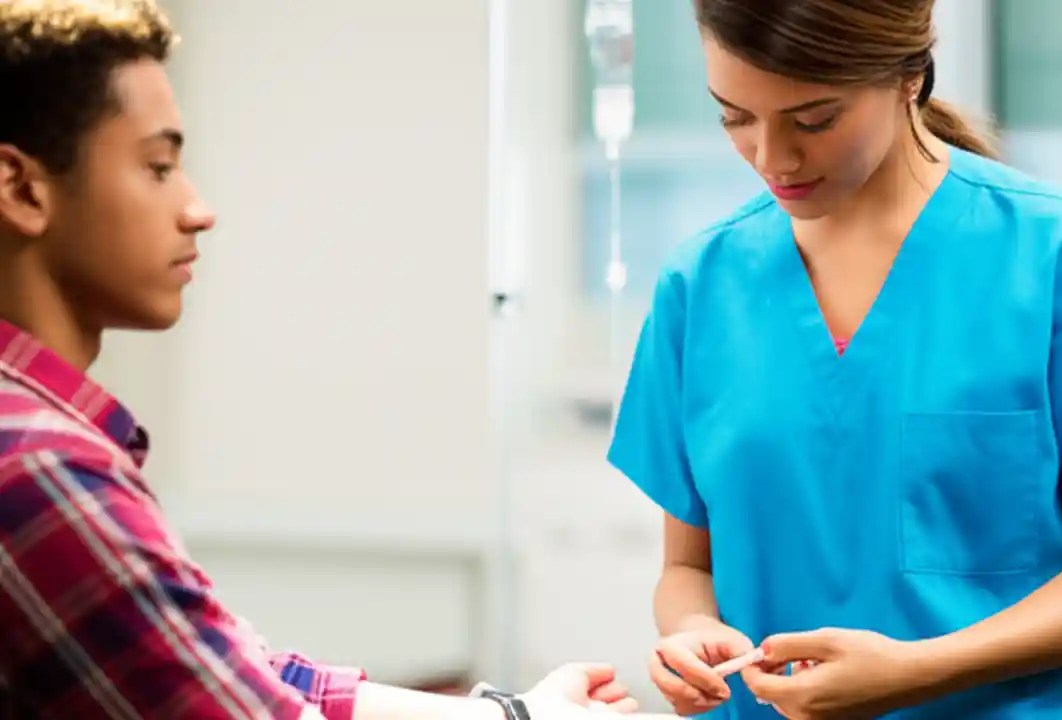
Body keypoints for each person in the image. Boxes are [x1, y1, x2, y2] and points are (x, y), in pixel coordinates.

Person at [0, 2, 659, 719]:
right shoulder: (39, 467)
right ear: (22, 188)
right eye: (158, 167)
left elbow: (224, 663)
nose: (197, 209)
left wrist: (511, 713)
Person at [606, 1, 1062, 718]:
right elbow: (687, 566)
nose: (772, 158)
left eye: (813, 119)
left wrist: (919, 670)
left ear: (908, 77)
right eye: (735, 116)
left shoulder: (1061, 252)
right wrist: (691, 632)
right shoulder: (702, 284)